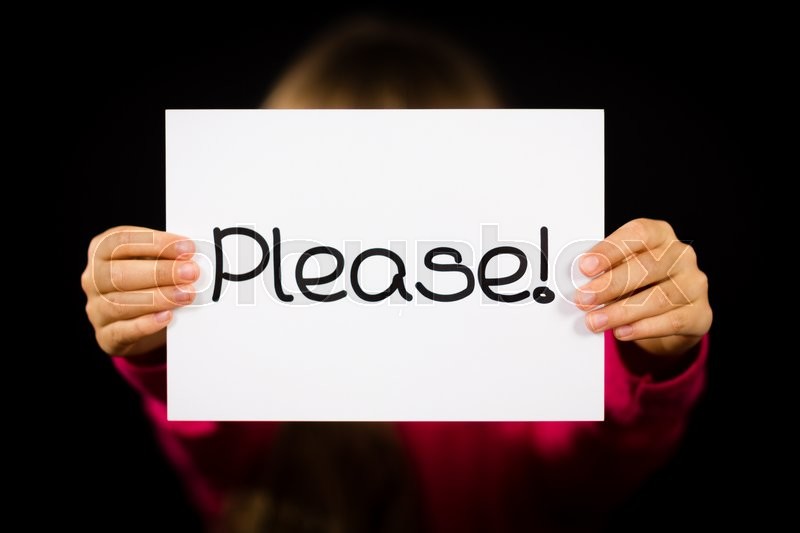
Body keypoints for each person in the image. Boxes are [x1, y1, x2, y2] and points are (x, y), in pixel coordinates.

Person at [81, 18, 712, 533]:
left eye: (431, 197)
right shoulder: (260, 397)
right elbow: (209, 429)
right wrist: (167, 336)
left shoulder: (525, 384)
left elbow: (595, 455)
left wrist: (647, 348)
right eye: (341, 196)